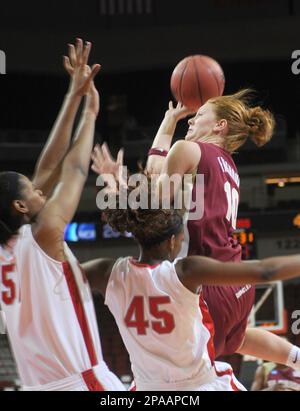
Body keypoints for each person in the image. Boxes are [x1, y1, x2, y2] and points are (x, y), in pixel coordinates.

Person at [91, 94, 300, 372]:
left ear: (220, 125)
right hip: (236, 283)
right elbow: (157, 175)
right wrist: (168, 121)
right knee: (236, 340)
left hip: (204, 283)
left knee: (177, 372)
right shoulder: (229, 166)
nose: (191, 119)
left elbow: (154, 203)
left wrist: (116, 185)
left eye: (200, 115)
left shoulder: (188, 150)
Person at [82, 178, 300, 391]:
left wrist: (119, 194)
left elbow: (60, 274)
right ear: (172, 241)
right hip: (200, 385)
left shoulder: (107, 272)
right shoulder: (185, 272)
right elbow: (265, 271)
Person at [0, 39, 124, 391]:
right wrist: (89, 113)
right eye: (32, 189)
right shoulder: (43, 236)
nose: (40, 189)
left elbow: (49, 166)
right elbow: (71, 171)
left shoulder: (8, 247)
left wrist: (73, 94)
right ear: (20, 206)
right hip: (82, 382)